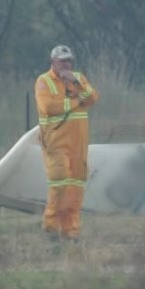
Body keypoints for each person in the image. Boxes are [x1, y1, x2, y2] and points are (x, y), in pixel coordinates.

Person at [35, 45, 99, 242]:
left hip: (78, 143)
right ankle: (51, 228)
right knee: (60, 182)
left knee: (76, 186)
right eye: (62, 61)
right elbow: (49, 107)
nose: (67, 64)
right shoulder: (44, 81)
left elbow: (93, 98)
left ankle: (71, 231)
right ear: (53, 62)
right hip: (55, 141)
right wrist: (75, 101)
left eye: (69, 60)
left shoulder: (78, 78)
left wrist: (77, 82)